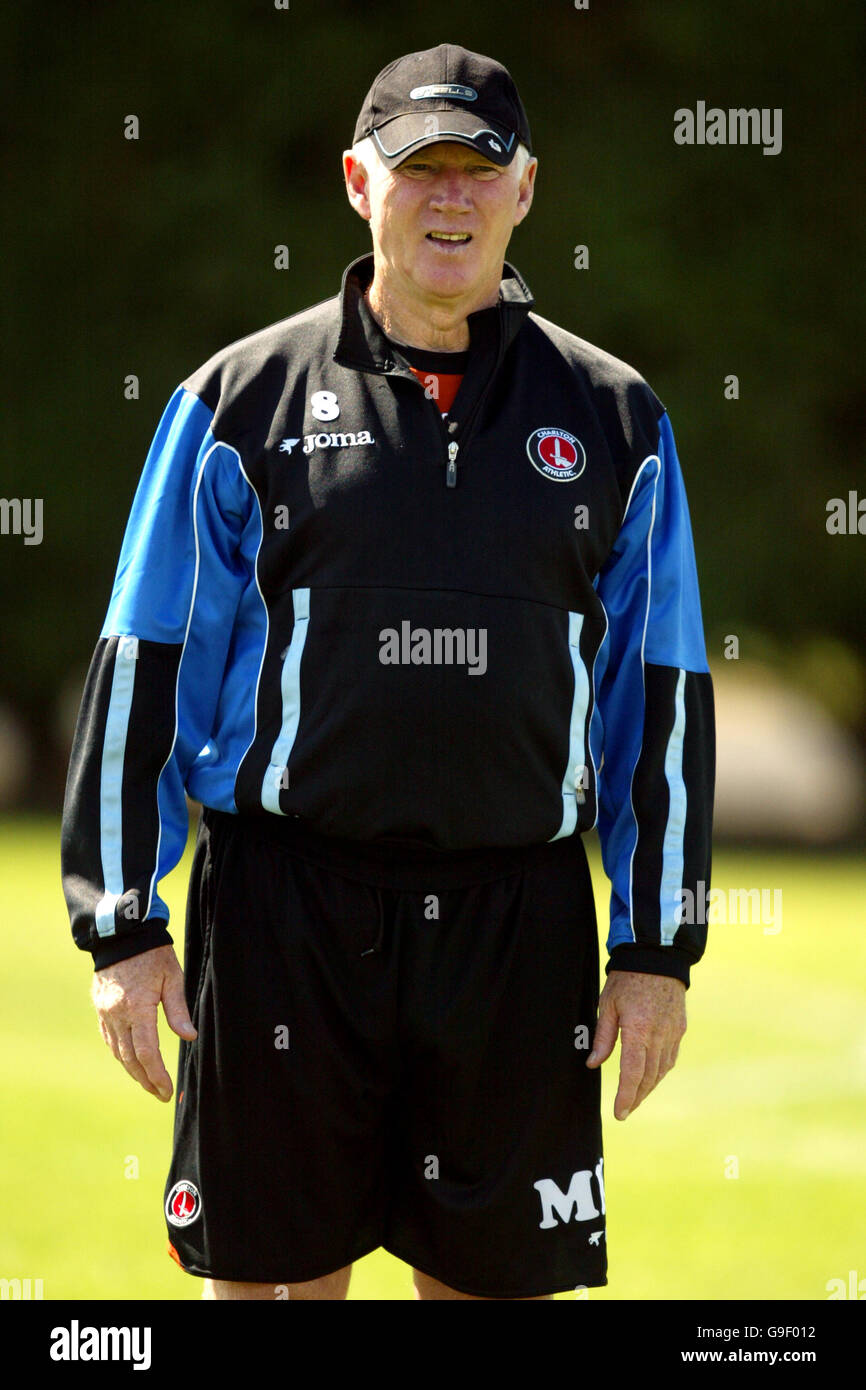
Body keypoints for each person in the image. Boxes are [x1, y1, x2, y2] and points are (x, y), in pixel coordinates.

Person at [61, 42, 715, 1301]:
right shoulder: (235, 401)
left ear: (527, 189)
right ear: (359, 182)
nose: (451, 199)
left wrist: (656, 949)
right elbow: (146, 657)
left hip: (512, 927)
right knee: (272, 1283)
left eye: (481, 169)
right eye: (421, 171)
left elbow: (663, 697)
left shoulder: (616, 417)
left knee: (488, 1290)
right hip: (283, 916)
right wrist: (122, 924)